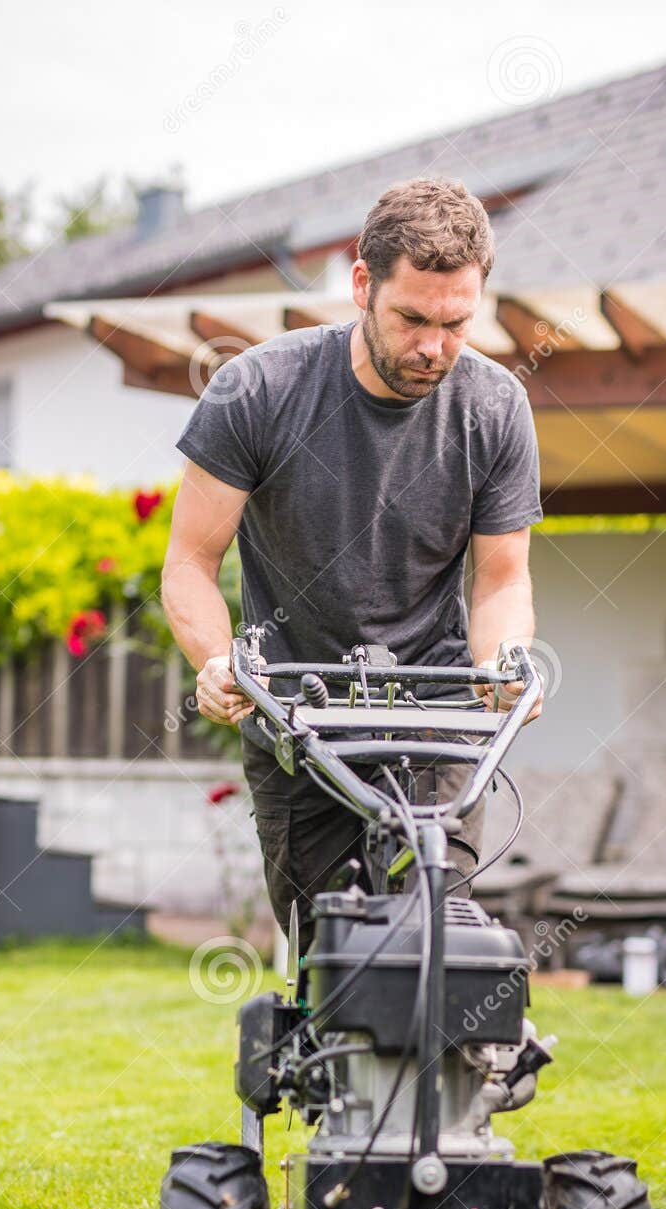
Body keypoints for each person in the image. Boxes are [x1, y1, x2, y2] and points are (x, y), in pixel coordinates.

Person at [162, 176, 543, 952]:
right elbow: (191, 563)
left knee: (438, 944)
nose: (433, 347)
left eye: (455, 324)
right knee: (330, 958)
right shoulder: (258, 391)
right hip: (300, 717)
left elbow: (502, 578)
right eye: (411, 319)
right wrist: (215, 663)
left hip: (435, 716)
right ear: (362, 285)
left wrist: (504, 664)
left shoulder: (495, 407)